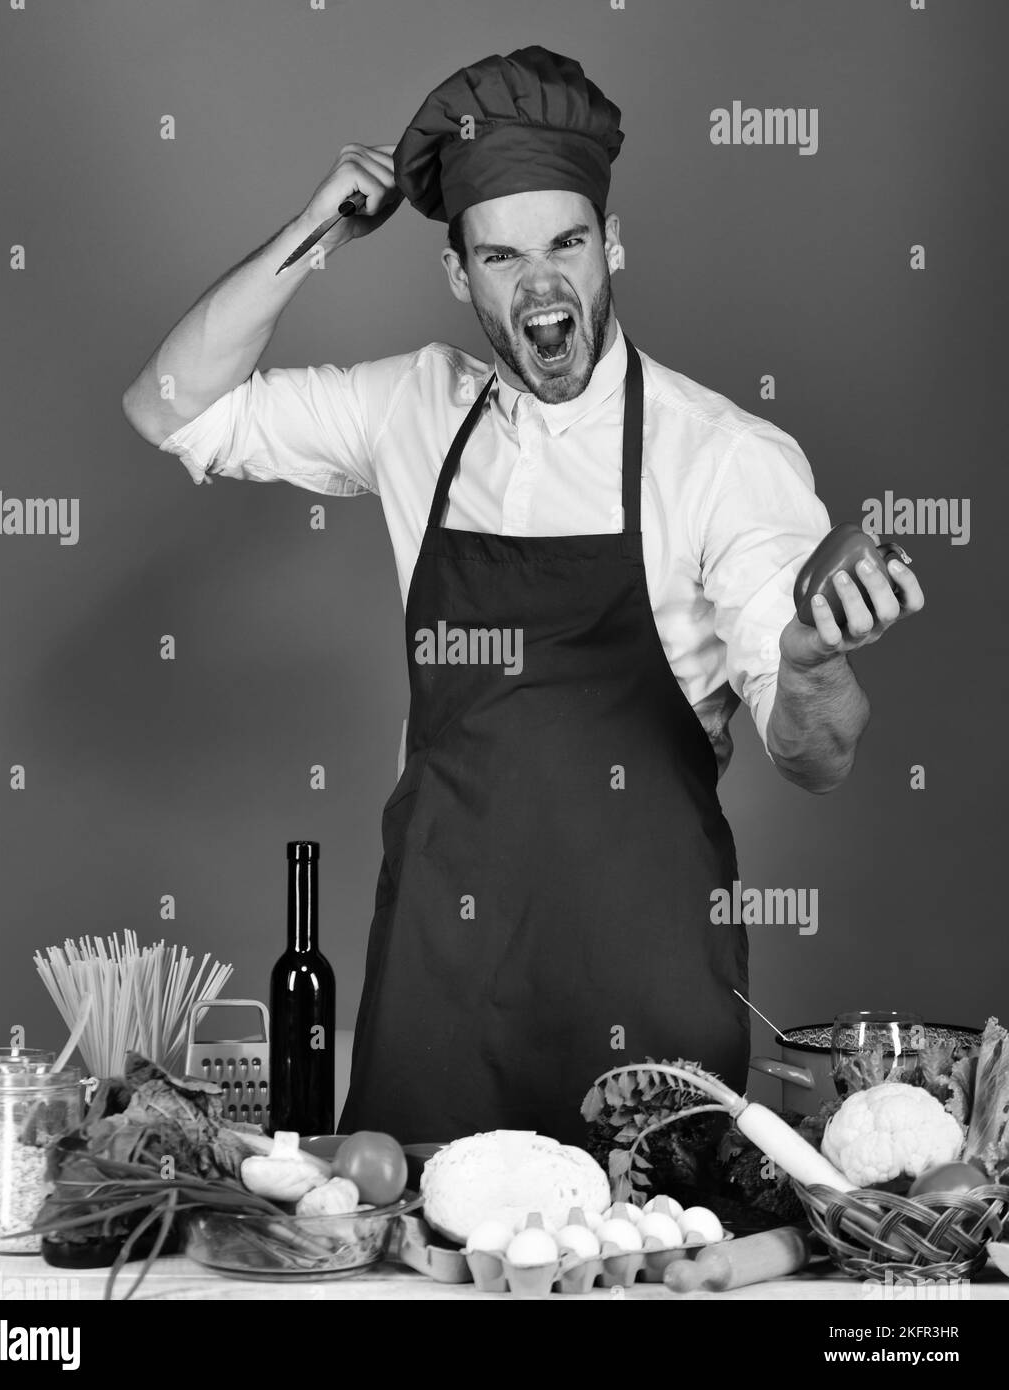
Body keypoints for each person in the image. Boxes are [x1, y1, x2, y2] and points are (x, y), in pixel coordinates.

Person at [122, 46, 924, 1145]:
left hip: (652, 1016)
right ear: (460, 276)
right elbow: (171, 407)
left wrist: (817, 661)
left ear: (613, 244)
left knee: (658, 1264)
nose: (542, 285)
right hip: (436, 1005)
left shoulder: (718, 455)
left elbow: (815, 757)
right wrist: (317, 230)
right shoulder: (413, 409)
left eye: (568, 244)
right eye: (501, 254)